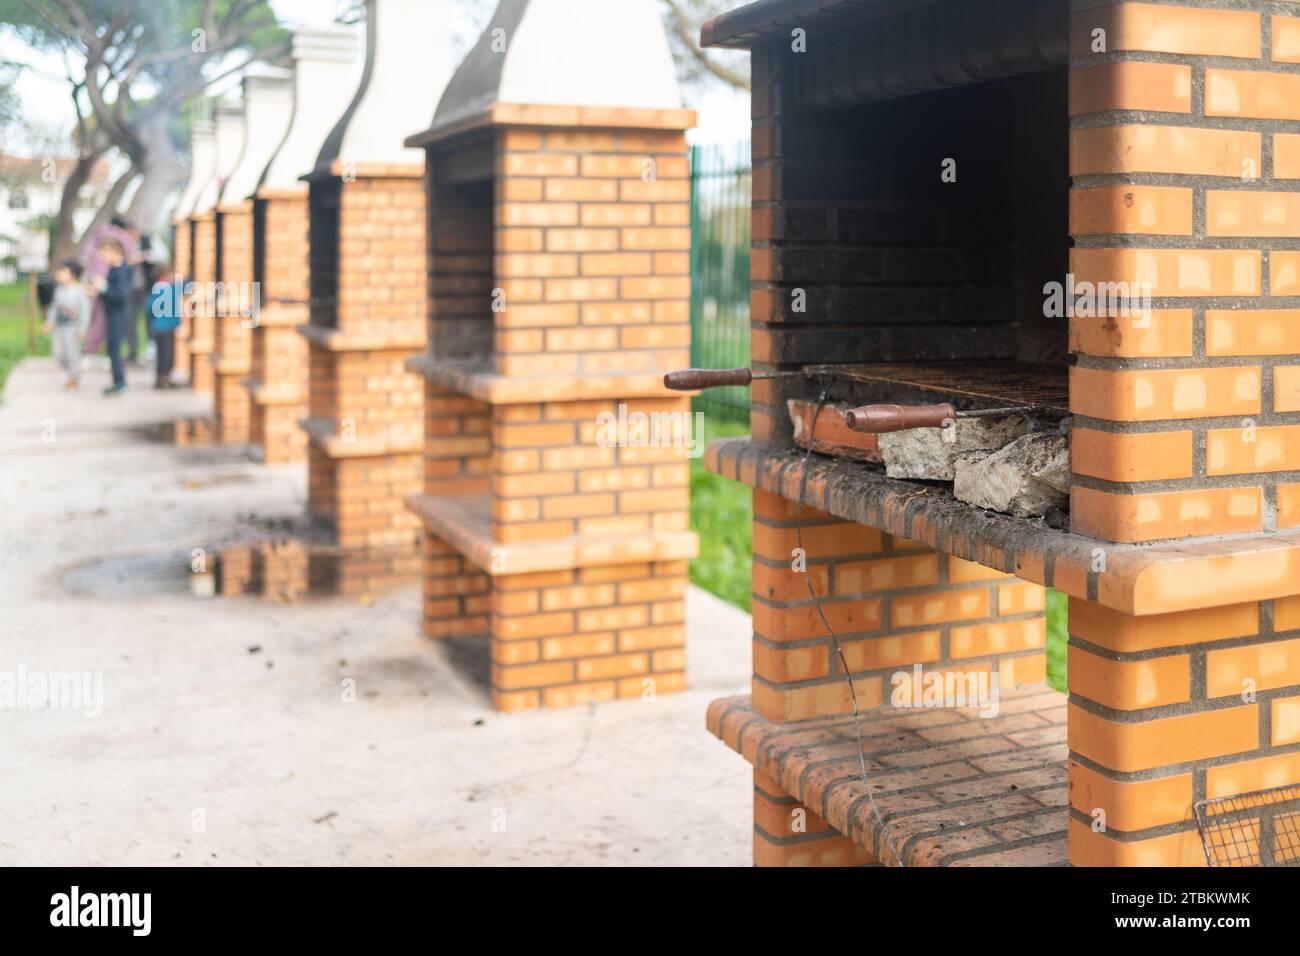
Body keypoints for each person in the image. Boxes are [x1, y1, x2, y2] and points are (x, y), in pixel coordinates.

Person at [43, 261, 92, 390]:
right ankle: (73, 371)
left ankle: (73, 378)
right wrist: (49, 323)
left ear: (73, 275)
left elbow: (85, 311)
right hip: (60, 328)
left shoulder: (80, 291)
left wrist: (83, 329)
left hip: (73, 329)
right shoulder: (59, 290)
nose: (60, 274)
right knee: (58, 353)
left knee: (72, 354)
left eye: (64, 272)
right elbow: (54, 308)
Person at [95, 236, 133, 395]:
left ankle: (121, 383)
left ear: (115, 251)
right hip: (112, 314)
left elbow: (122, 296)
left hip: (119, 315)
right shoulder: (114, 269)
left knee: (114, 349)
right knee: (111, 349)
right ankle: (117, 381)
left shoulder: (122, 271)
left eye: (103, 254)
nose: (101, 258)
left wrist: (104, 288)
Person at [147, 262, 183, 389]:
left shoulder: (159, 287)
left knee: (163, 354)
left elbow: (149, 307)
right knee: (166, 354)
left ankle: (162, 378)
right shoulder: (168, 287)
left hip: (160, 326)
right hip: (165, 326)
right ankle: (163, 378)